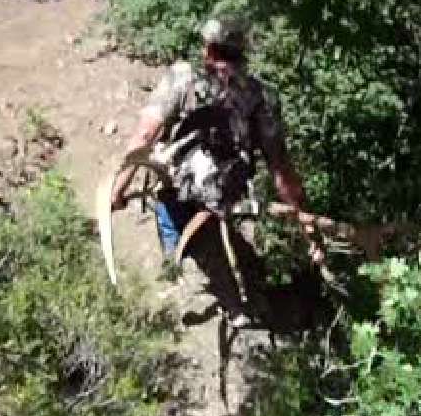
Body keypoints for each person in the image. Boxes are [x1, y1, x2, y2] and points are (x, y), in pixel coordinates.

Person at [109, 18, 323, 319]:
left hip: (180, 189)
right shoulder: (261, 96)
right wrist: (310, 232)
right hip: (229, 195)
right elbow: (282, 171)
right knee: (224, 235)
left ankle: (177, 270)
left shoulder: (183, 77)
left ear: (208, 49)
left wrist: (117, 190)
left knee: (171, 206)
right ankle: (241, 293)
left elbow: (145, 136)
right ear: (243, 52)